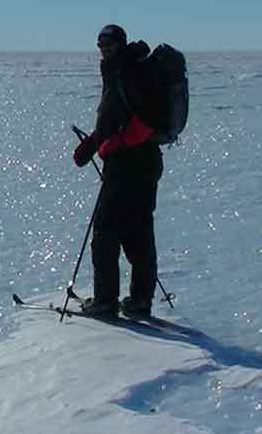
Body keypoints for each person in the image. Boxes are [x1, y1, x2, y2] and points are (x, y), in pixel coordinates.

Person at [71, 24, 163, 318]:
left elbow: (150, 118)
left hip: (131, 167)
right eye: (100, 44)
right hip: (139, 166)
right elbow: (112, 119)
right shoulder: (118, 72)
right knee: (137, 232)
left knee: (107, 233)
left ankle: (106, 302)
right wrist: (91, 146)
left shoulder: (129, 73)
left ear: (121, 43)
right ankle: (139, 302)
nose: (103, 48)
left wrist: (118, 142)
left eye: (108, 43)